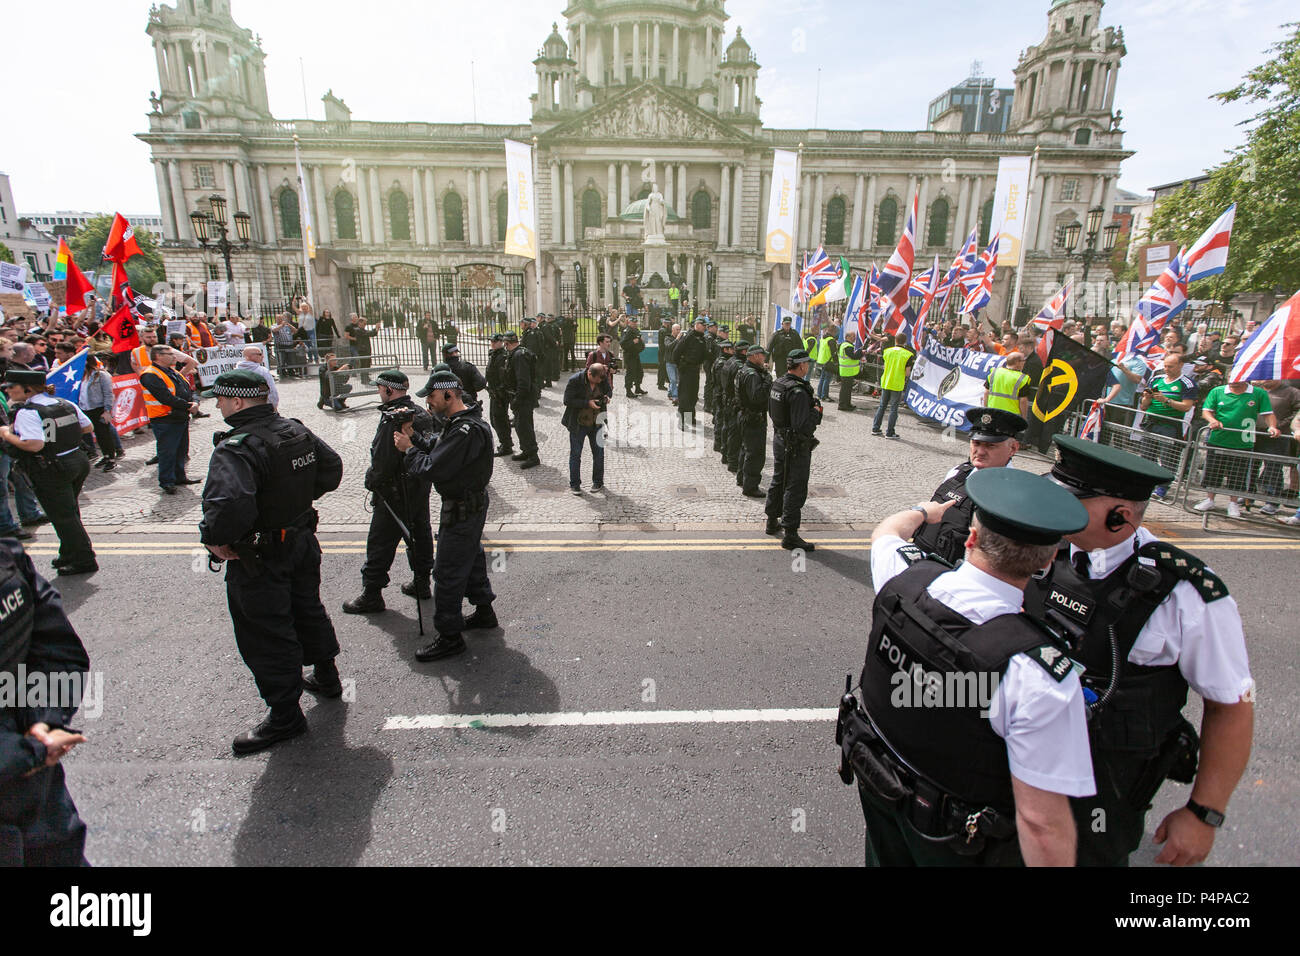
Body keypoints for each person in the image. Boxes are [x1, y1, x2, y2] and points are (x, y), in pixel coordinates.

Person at [1023, 436, 1255, 866]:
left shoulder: (1184, 593)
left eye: (1070, 501)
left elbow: (1231, 705)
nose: (1050, 510)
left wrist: (1204, 814)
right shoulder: (1041, 547)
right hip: (1020, 764)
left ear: (1120, 516)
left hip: (1103, 787)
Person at [843, 468, 1093, 866]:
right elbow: (1042, 824)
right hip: (958, 842)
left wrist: (925, 511)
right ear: (1046, 563)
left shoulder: (908, 579)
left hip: (879, 786)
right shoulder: (1037, 674)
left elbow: (887, 531)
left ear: (971, 539)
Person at [199, 369, 345, 754]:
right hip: (300, 540)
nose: (217, 406)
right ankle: (327, 676)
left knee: (267, 630)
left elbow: (228, 507)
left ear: (237, 401)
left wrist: (216, 540)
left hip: (260, 555)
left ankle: (285, 715)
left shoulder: (237, 447)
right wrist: (294, 501)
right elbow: (331, 470)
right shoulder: (295, 430)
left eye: (220, 400)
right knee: (307, 609)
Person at [395, 369, 497, 662]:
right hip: (469, 506)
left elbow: (433, 468)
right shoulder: (460, 423)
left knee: (448, 571)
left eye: (432, 395)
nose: (428, 401)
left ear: (449, 394)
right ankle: (484, 611)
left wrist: (408, 450)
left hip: (462, 509)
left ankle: (450, 637)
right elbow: (441, 447)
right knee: (472, 556)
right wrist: (415, 437)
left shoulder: (465, 430)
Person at [0, 540, 92, 865]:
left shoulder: (7, 558)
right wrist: (36, 747)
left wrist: (45, 721)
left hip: (38, 795)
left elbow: (54, 645)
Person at [343, 371, 437, 612]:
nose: (379, 392)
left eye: (380, 388)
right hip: (418, 485)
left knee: (381, 541)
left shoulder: (392, 418)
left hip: (394, 490)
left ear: (388, 390)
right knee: (419, 533)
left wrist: (372, 480)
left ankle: (372, 592)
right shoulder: (421, 413)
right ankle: (422, 581)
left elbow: (384, 459)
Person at [0, 370, 96, 574]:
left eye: (11, 386)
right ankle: (69, 552)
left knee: (63, 515)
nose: (7, 390)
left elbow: (34, 445)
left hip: (51, 468)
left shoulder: (27, 412)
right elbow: (87, 427)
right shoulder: (63, 403)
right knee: (69, 511)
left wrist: (7, 434)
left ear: (27, 389)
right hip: (76, 461)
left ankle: (83, 559)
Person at [912, 407, 1027, 565]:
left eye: (990, 446)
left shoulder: (1015, 495)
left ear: (1013, 448)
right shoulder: (957, 473)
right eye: (976, 443)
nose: (979, 451)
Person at [1193, 378, 1278, 518]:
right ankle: (1209, 499)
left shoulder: (1258, 393)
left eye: (1238, 379)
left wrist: (1272, 426)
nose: (1233, 382)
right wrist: (1213, 420)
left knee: (1238, 474)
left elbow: (1267, 413)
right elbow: (1206, 411)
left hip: (1244, 441)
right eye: (1231, 379)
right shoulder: (1217, 391)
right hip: (1218, 439)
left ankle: (1233, 503)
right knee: (1213, 470)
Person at [765, 349, 822, 551]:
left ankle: (772, 521)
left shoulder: (779, 383)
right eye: (807, 364)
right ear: (802, 366)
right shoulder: (797, 391)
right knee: (795, 487)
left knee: (778, 479)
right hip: (795, 445)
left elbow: (772, 411)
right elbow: (802, 425)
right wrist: (815, 412)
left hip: (780, 439)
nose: (808, 367)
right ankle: (790, 533)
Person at [139, 345, 199, 494]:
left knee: (181, 449)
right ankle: (167, 481)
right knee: (168, 451)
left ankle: (179, 476)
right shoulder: (150, 374)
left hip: (179, 416)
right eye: (170, 354)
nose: (175, 357)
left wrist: (190, 402)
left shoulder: (171, 371)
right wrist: (187, 405)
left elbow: (183, 388)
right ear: (158, 356)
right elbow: (165, 397)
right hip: (165, 418)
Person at [1139, 352, 1198, 499]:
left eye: (1170, 366)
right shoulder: (1156, 379)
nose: (1167, 369)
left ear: (1180, 365)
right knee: (1146, 455)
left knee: (1167, 457)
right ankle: (1146, 483)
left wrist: (1166, 400)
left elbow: (1186, 407)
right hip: (1151, 421)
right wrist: (1146, 398)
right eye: (1165, 366)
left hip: (1171, 424)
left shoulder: (1187, 383)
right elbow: (1143, 406)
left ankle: (1162, 487)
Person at [563, 362, 611, 494]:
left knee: (599, 454)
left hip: (597, 422)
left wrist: (607, 397)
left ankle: (598, 482)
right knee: (575, 454)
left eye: (600, 380)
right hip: (578, 423)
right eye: (596, 380)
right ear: (589, 373)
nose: (598, 383)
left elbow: (608, 390)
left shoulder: (602, 377)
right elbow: (567, 400)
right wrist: (587, 403)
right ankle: (575, 484)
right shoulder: (575, 381)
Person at [735, 345, 772, 498]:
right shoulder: (752, 375)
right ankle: (750, 486)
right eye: (762, 356)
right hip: (753, 417)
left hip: (746, 415)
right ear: (755, 356)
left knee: (746, 449)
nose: (764, 358)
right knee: (755, 453)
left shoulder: (746, 370)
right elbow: (757, 397)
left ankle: (742, 478)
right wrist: (768, 380)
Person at [505, 332, 540, 469]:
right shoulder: (518, 354)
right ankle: (526, 451)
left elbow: (523, 381)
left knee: (525, 426)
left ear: (507, 343)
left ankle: (533, 455)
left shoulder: (519, 356)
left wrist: (517, 399)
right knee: (520, 425)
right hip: (520, 396)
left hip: (523, 397)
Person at [873, 333, 914, 439]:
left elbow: (885, 366)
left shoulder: (887, 351)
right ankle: (890, 432)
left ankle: (875, 428)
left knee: (882, 406)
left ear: (895, 340)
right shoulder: (908, 354)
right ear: (904, 342)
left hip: (886, 381)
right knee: (893, 408)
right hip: (897, 383)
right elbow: (907, 373)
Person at [675, 318, 710, 427]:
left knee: (693, 395)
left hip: (695, 370)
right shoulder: (689, 337)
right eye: (703, 325)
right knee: (684, 395)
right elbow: (676, 352)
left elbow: (704, 354)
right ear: (697, 325)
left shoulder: (702, 338)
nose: (705, 327)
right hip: (686, 369)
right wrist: (680, 366)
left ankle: (690, 417)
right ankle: (682, 420)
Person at [484, 334, 513, 456]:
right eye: (491, 341)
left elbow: (504, 377)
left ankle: (506, 445)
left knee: (499, 419)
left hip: (499, 394)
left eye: (494, 341)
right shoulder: (494, 354)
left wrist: (500, 391)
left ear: (501, 342)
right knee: (495, 419)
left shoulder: (502, 356)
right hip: (494, 391)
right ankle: (506, 443)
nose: (492, 343)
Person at [984, 351, 1032, 419]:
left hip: (992, 412)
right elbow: (1023, 401)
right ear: (1017, 362)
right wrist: (1024, 418)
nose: (1024, 362)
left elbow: (986, 393)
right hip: (1011, 416)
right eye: (1023, 360)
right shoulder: (1022, 379)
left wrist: (986, 411)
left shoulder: (995, 372)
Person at [712, 339, 738, 458]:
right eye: (731, 349)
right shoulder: (722, 363)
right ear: (725, 349)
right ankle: (719, 443)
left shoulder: (722, 361)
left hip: (719, 393)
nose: (733, 351)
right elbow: (722, 382)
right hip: (720, 394)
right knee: (721, 419)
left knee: (721, 418)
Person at [234, 345, 279, 410]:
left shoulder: (236, 371)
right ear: (249, 356)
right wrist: (273, 406)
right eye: (260, 354)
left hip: (242, 408)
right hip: (261, 407)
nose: (262, 356)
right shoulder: (263, 371)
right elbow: (272, 390)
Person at [766, 315, 802, 390]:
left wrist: (801, 359)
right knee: (781, 378)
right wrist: (766, 361)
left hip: (792, 360)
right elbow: (769, 348)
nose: (787, 326)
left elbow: (800, 346)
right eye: (786, 324)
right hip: (780, 360)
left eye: (789, 324)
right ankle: (780, 390)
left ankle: (790, 391)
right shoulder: (777, 334)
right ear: (782, 324)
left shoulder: (795, 334)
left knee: (792, 377)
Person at [343, 314, 377, 385]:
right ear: (360, 323)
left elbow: (371, 333)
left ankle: (366, 378)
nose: (365, 325)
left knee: (367, 364)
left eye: (366, 324)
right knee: (364, 364)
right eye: (364, 323)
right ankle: (364, 379)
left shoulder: (362, 330)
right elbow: (370, 333)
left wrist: (376, 329)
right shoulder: (357, 330)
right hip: (362, 350)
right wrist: (376, 328)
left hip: (366, 349)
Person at [618, 316, 646, 399]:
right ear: (629, 322)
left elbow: (639, 339)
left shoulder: (635, 330)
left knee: (639, 372)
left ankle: (637, 388)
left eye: (635, 322)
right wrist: (632, 342)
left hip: (635, 354)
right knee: (630, 373)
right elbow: (623, 344)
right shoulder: (627, 331)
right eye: (633, 322)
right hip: (629, 355)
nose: (634, 323)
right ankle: (628, 391)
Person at [837, 335, 863, 411]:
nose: (854, 338)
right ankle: (843, 405)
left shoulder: (844, 344)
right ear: (847, 337)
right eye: (853, 337)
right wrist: (860, 352)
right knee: (846, 390)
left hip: (846, 370)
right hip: (847, 371)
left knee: (846, 389)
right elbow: (853, 356)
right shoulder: (848, 346)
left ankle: (846, 404)